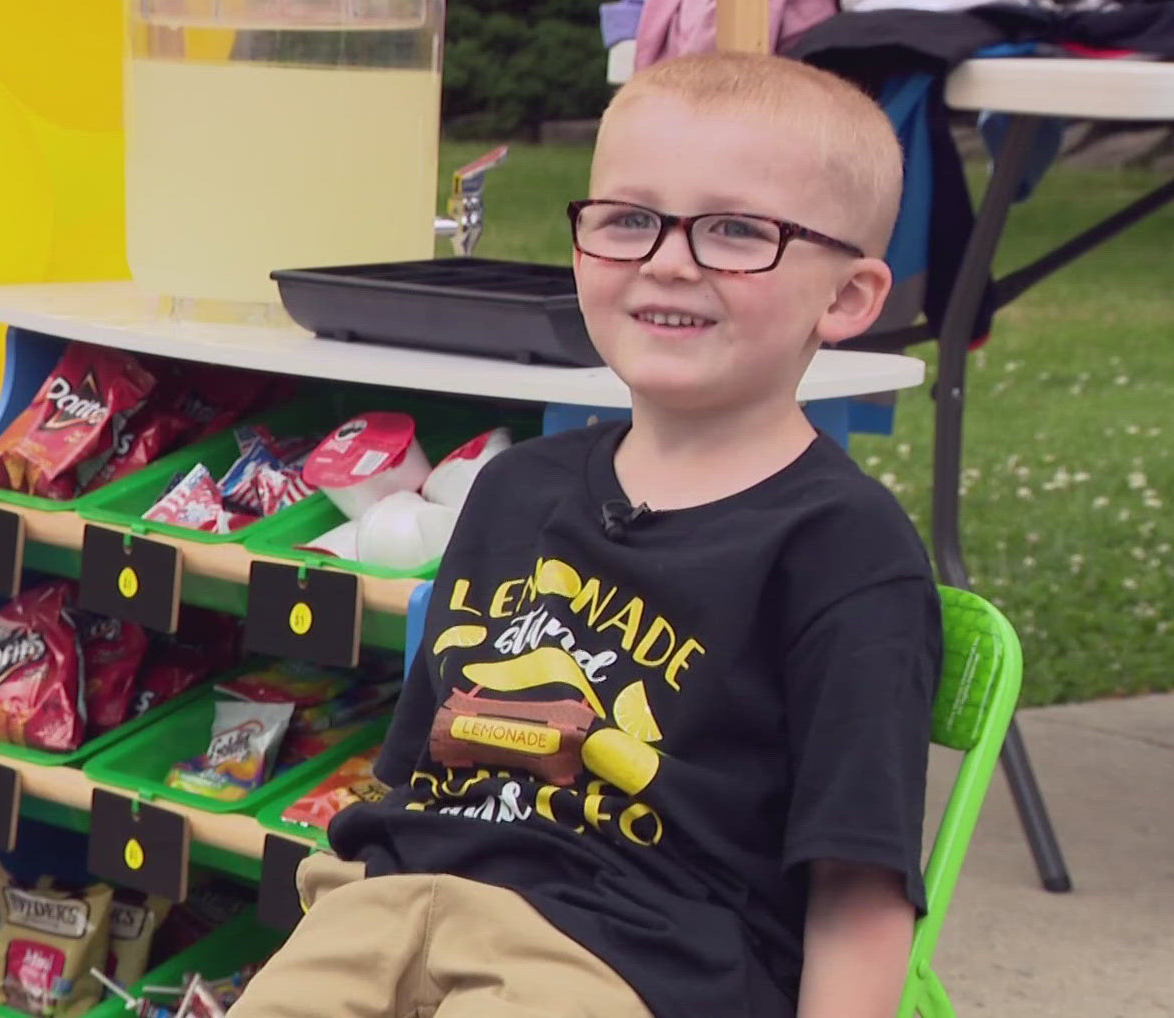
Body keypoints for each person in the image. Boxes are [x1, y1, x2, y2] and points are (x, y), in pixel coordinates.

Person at [230, 51, 942, 1018]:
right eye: (629, 220)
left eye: (737, 230)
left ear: (848, 298)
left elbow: (858, 877)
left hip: (629, 953)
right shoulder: (517, 488)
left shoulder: (842, 550)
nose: (668, 259)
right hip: (390, 904)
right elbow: (414, 772)